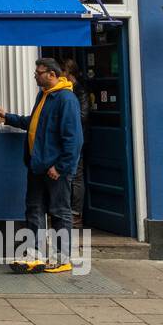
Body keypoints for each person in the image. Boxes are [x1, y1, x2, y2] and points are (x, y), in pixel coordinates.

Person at [0, 57, 82, 274]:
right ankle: (35, 255)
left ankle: (63, 258)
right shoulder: (44, 95)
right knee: (34, 210)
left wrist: (60, 167)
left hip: (54, 170)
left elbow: (74, 139)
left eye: (39, 72)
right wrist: (7, 117)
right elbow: (33, 123)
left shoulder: (66, 99)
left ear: (52, 74)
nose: (35, 76)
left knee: (59, 212)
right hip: (37, 165)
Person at [63, 58, 90, 227]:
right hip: (67, 139)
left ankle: (75, 215)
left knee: (76, 175)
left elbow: (82, 116)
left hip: (76, 139)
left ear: (68, 73)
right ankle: (65, 212)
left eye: (62, 71)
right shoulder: (67, 91)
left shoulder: (79, 91)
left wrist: (63, 121)